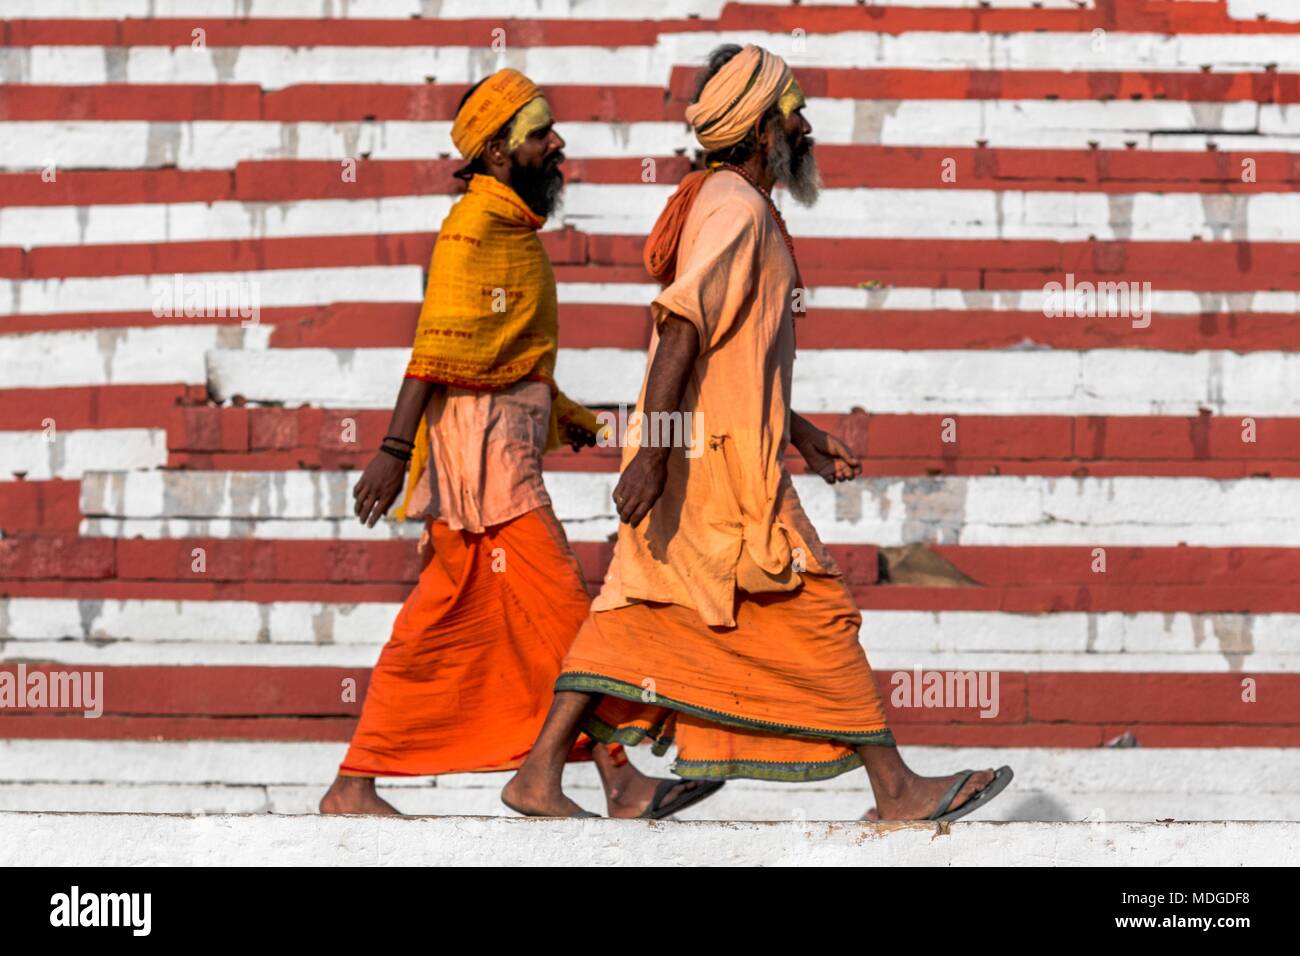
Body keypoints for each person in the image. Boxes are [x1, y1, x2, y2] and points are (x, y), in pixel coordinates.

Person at [502, 45, 1013, 822]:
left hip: (710, 459)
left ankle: (540, 775)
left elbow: (728, 354)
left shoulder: (726, 202)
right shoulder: (735, 212)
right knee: (818, 607)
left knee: (634, 614)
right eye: (791, 112)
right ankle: (898, 789)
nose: (804, 124)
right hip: (714, 475)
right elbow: (681, 331)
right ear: (758, 131)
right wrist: (649, 458)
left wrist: (800, 431)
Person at [320, 69, 722, 820]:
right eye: (540, 134)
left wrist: (568, 413)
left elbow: (509, 353)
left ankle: (352, 784)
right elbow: (435, 349)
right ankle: (610, 779)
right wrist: (391, 447)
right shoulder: (472, 230)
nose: (557, 143)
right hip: (481, 466)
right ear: (500, 153)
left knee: (439, 622)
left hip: (501, 446)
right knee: (569, 608)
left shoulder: (508, 229)